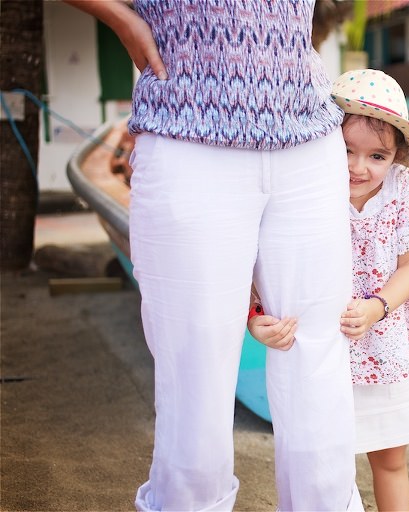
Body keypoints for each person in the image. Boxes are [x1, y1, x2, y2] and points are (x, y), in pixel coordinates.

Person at [62, 2, 362, 511]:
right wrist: (119, 16)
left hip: (308, 134)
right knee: (195, 362)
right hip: (186, 125)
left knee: (316, 347)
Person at [248, 69, 409, 511]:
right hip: (326, 350)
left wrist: (379, 306)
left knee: (390, 460)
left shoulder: (403, 192)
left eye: (377, 156)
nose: (358, 167)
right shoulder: (304, 192)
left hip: (386, 339)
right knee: (327, 456)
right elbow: (265, 261)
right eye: (345, 150)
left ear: (397, 157)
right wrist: (255, 319)